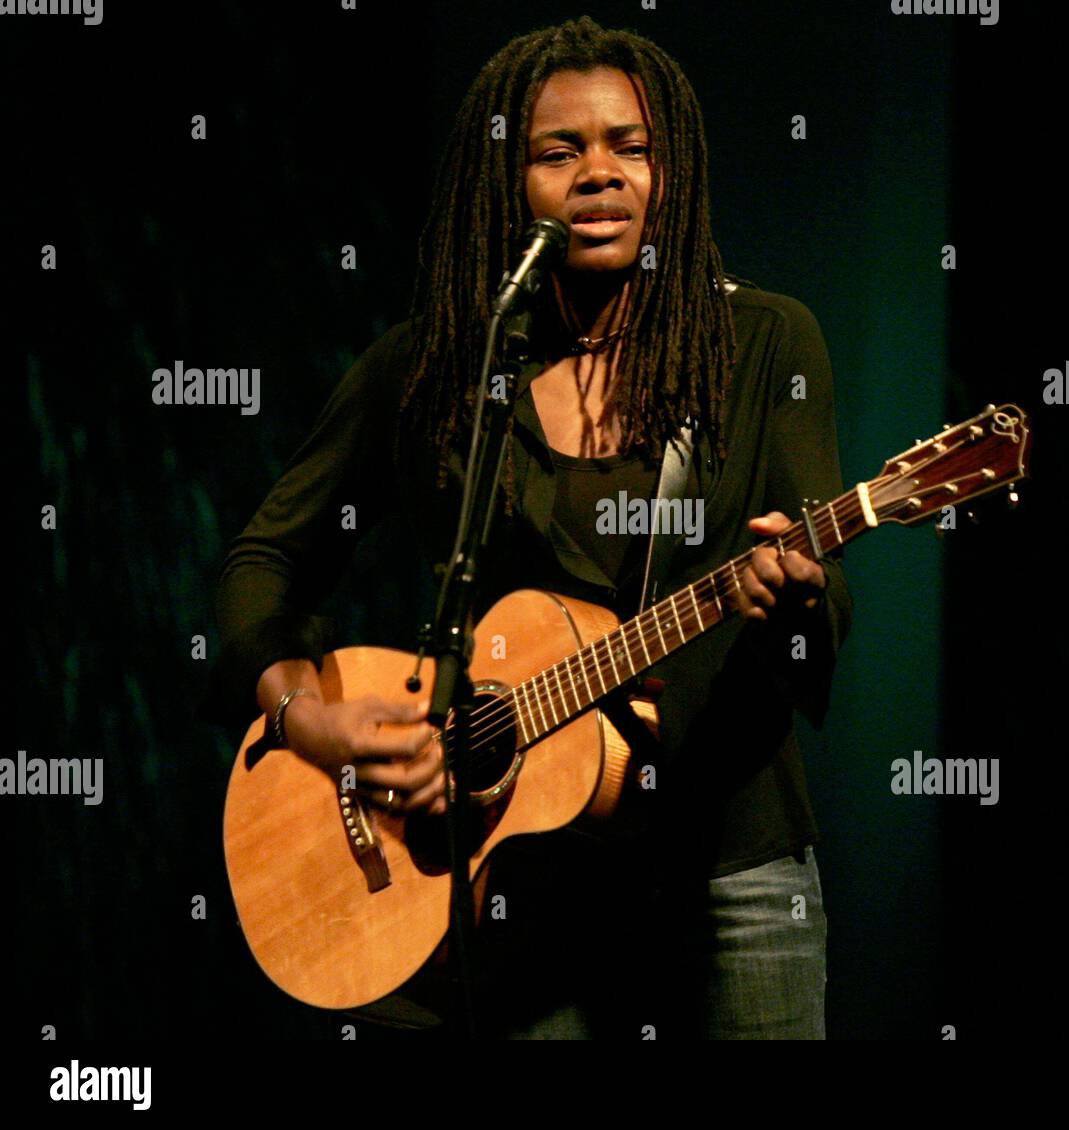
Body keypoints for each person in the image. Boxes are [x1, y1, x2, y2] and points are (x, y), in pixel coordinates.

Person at [204, 15, 853, 1039]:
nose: (601, 173)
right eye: (561, 152)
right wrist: (307, 719)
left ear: (669, 171)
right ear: (503, 181)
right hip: (508, 877)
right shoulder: (429, 370)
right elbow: (264, 561)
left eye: (631, 147)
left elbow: (821, 611)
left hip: (727, 866)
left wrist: (800, 593)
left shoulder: (763, 340)